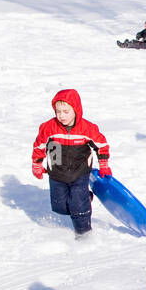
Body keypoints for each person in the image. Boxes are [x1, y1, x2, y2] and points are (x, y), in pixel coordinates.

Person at [31, 89, 110, 235]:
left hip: (79, 171)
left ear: (76, 110)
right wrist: (37, 164)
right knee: (60, 206)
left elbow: (102, 146)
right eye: (58, 111)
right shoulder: (48, 128)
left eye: (66, 111)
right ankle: (87, 197)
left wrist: (103, 164)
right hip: (56, 172)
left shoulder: (87, 129)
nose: (61, 116)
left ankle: (84, 234)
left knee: (78, 207)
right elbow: (39, 146)